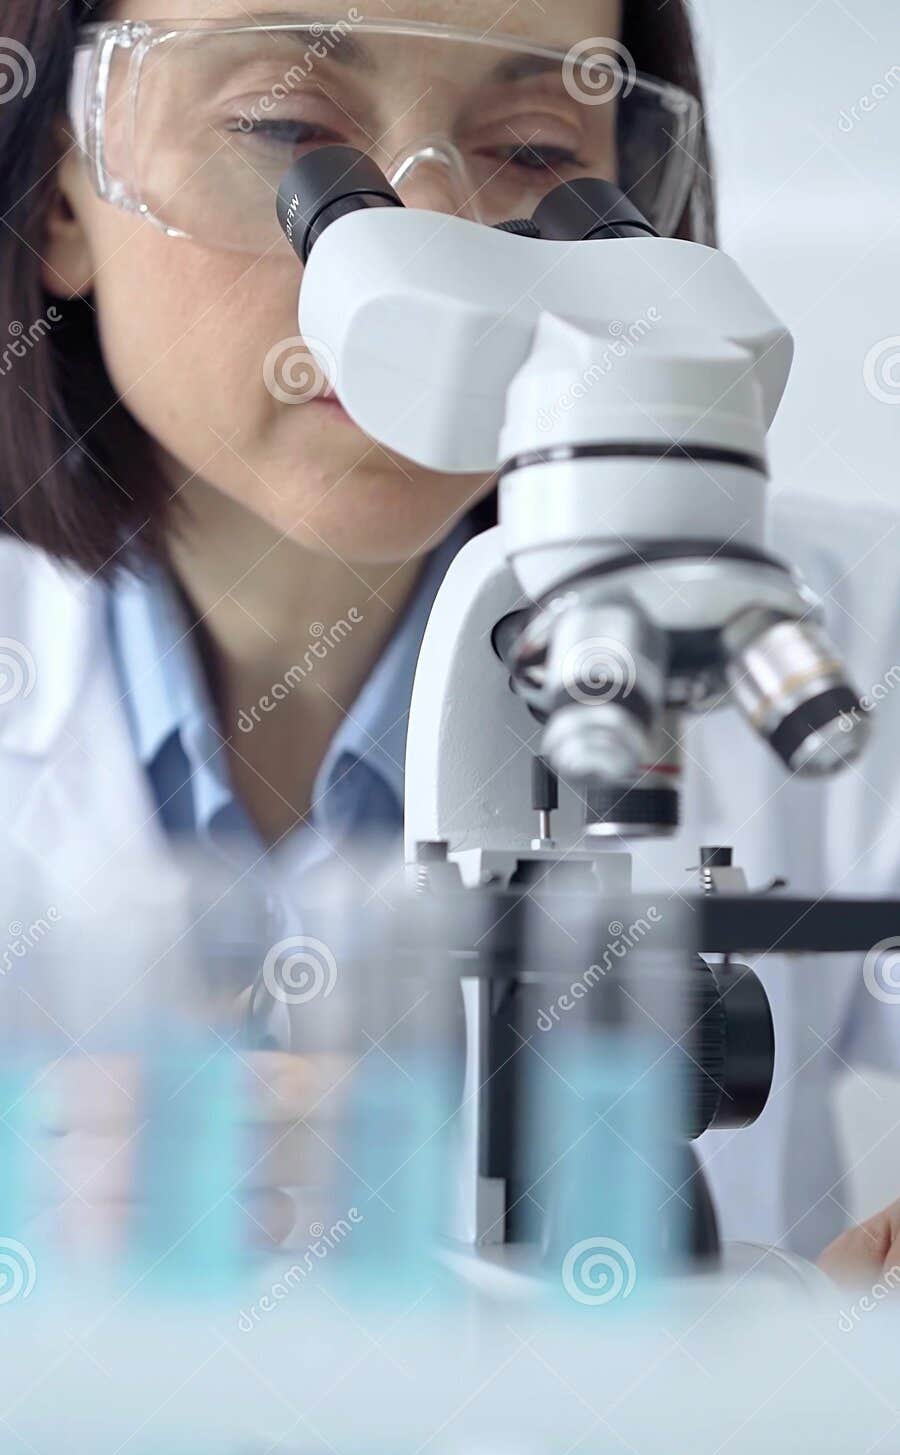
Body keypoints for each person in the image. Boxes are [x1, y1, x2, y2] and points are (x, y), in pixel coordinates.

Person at [0, 0, 897, 1276]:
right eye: (290, 129)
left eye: (535, 152)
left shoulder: (844, 614)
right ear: (57, 198)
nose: (439, 239)